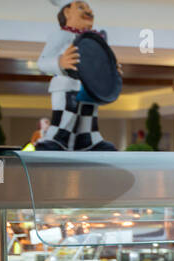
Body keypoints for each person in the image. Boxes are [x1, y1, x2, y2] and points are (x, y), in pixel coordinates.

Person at [35, 0, 118, 150]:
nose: (89, 11)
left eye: (89, 8)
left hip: (90, 87)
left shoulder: (95, 40)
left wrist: (110, 69)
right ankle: (57, 139)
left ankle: (88, 140)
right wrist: (60, 62)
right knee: (66, 114)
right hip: (67, 85)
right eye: (81, 7)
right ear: (67, 12)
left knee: (88, 115)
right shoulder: (61, 35)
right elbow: (43, 62)